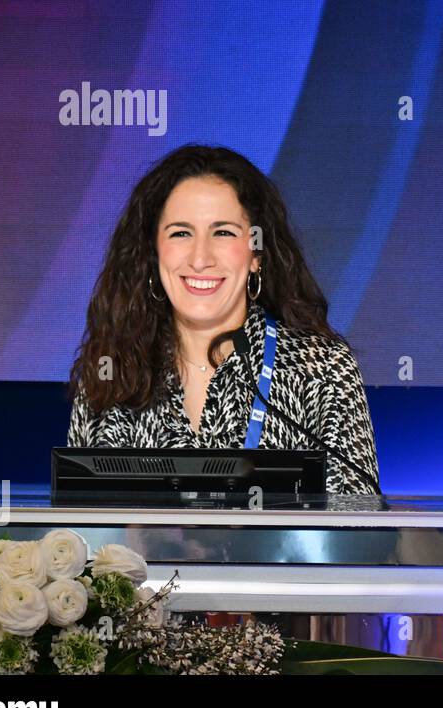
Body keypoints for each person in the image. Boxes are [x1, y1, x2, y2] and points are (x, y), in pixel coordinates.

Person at [66, 145, 379, 495]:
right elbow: (83, 529)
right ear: (153, 254)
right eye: (181, 233)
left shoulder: (322, 368)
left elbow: (357, 526)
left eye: (223, 232)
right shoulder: (111, 370)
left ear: (256, 254)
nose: (200, 259)